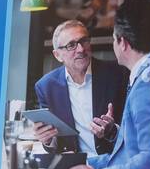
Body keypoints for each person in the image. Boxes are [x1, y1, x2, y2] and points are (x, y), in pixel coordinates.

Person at [68, 0, 150, 169]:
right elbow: (132, 150)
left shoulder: (147, 84)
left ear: (123, 43)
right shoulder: (147, 74)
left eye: (113, 39)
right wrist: (82, 163)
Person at [30, 20, 128, 157]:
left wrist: (112, 131)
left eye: (84, 41)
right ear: (57, 55)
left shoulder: (118, 75)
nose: (81, 49)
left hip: (113, 162)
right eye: (71, 45)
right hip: (74, 166)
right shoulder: (46, 86)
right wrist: (48, 140)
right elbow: (56, 144)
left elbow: (136, 132)